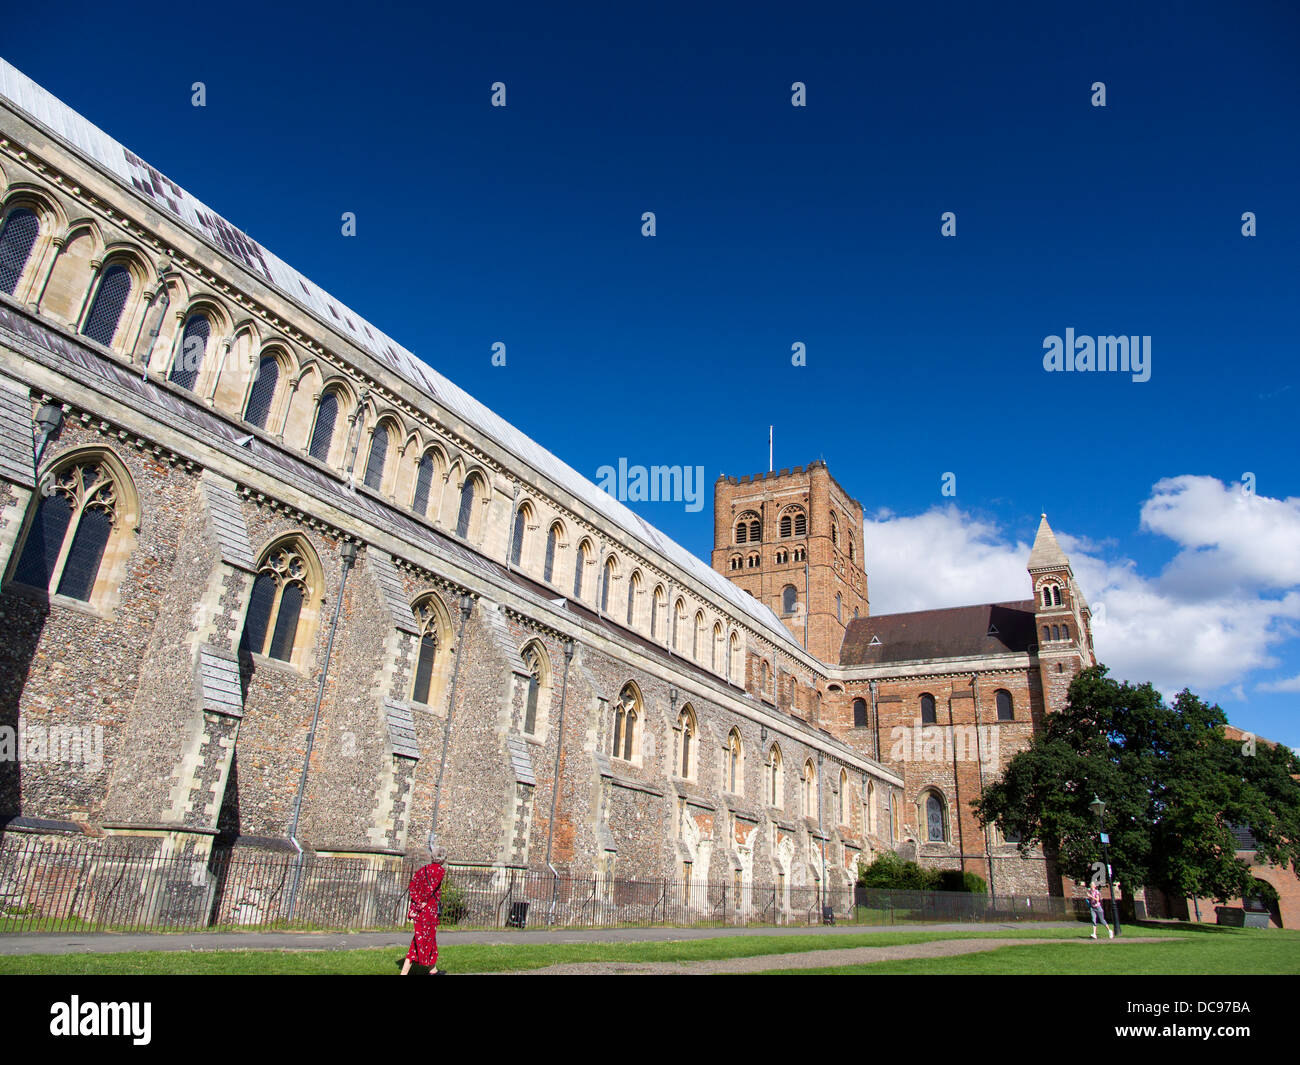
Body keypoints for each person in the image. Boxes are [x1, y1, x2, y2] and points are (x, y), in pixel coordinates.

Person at [400, 840, 447, 974]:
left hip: (419, 912)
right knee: (426, 940)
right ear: (442, 859)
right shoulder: (439, 871)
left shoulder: (422, 870)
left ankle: (432, 971)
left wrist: (417, 901)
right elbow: (431, 888)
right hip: (428, 912)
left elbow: (412, 886)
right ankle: (430, 970)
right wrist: (423, 901)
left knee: (422, 939)